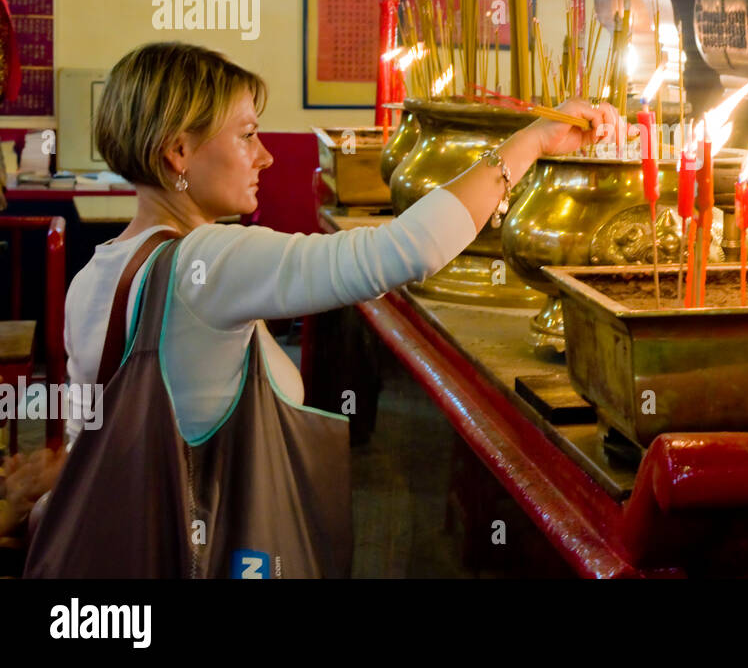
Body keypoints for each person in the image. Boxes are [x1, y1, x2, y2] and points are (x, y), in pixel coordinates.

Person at [27, 41, 614, 576]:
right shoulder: (209, 263)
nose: (265, 157)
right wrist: (531, 142)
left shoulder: (95, 271)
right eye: (247, 134)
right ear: (179, 151)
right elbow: (403, 250)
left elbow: (93, 439)